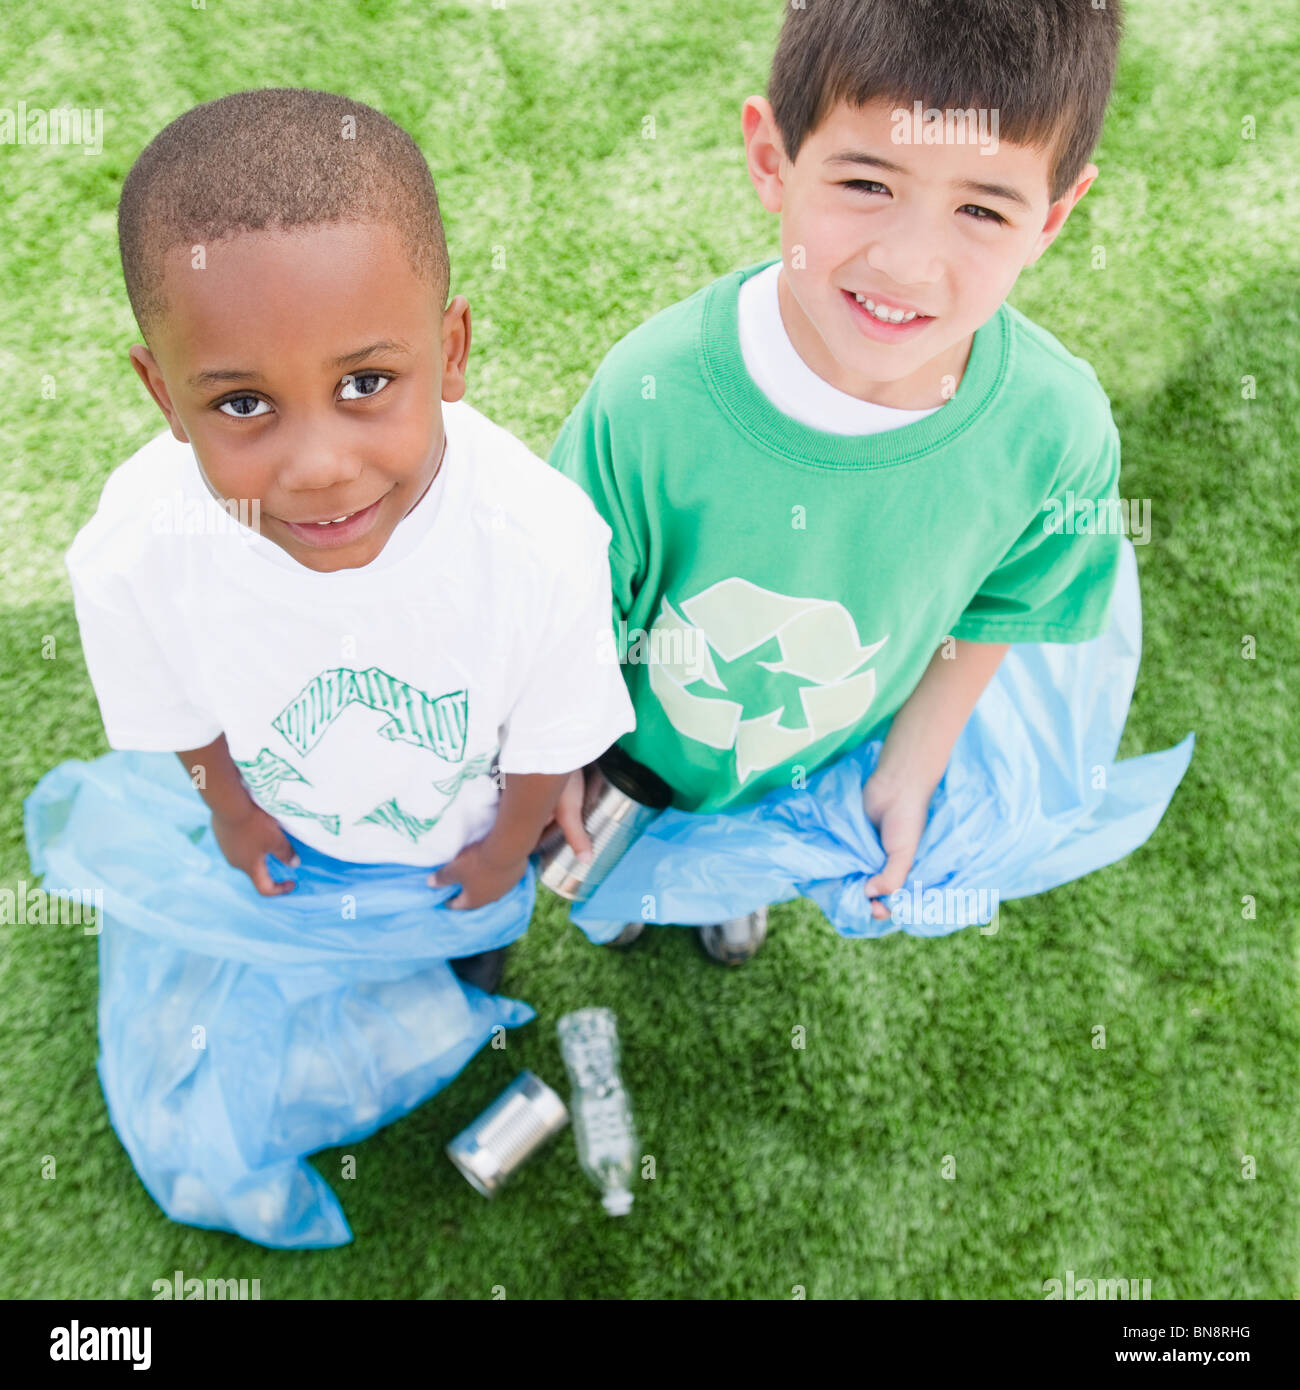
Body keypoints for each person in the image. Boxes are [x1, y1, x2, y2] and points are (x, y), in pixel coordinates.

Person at [546, 0, 1127, 963]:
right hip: (634, 751)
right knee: (608, 871)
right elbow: (568, 608)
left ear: (1054, 219)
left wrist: (916, 755)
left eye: (982, 208)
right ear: (773, 160)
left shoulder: (1054, 430)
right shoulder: (652, 397)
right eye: (866, 182)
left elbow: (1009, 600)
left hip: (813, 752)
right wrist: (557, 750)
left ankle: (728, 887)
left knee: (737, 859)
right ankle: (631, 898)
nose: (906, 263)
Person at [68, 87, 635, 995]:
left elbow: (551, 736)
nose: (319, 467)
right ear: (165, 394)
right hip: (302, 837)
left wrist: (501, 853)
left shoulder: (540, 540)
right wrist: (235, 818)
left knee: (465, 959)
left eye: (366, 382)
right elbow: (178, 712)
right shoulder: (137, 547)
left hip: (466, 838)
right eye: (243, 404)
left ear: (450, 351)